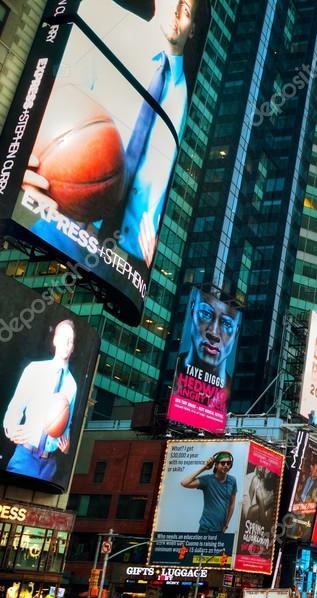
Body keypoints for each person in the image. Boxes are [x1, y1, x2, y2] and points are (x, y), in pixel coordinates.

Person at [22, 0, 208, 268]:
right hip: (59, 217)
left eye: (187, 11)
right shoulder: (103, 18)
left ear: (192, 31)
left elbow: (162, 199)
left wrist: (160, 247)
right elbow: (44, 94)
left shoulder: (184, 103)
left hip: (117, 262)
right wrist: (25, 155)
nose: (177, 11)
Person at [3, 320, 78, 482]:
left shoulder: (72, 385)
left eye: (70, 341)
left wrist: (67, 447)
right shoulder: (35, 370)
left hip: (49, 464)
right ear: (55, 340)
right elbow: (16, 406)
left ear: (72, 347)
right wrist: (11, 427)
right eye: (63, 338)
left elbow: (67, 424)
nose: (66, 343)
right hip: (25, 457)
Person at [180, 450, 237, 533]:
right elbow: (184, 483)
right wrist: (204, 468)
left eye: (228, 463)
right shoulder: (207, 480)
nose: (226, 465)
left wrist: (226, 524)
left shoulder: (232, 481)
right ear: (216, 465)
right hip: (206, 529)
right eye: (223, 463)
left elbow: (232, 504)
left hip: (220, 530)